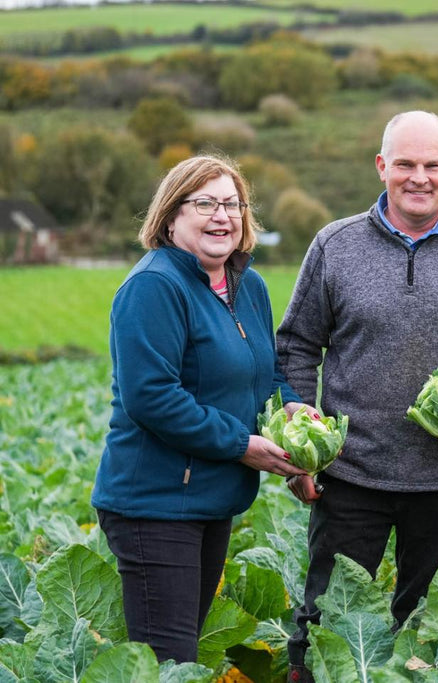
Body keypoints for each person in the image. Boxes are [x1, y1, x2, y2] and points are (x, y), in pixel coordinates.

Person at [278, 110, 438, 681]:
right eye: (404, 164)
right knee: (326, 629)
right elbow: (297, 346)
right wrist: (303, 445)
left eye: (431, 165)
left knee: (430, 635)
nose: (418, 177)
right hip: (350, 476)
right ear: (381, 167)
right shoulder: (334, 245)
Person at [92, 155, 309, 662]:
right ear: (171, 217)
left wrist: (293, 410)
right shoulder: (154, 286)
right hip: (155, 505)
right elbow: (153, 398)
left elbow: (266, 373)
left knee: (183, 653)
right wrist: (241, 445)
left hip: (210, 499)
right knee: (170, 663)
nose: (222, 216)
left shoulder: (247, 287)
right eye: (205, 203)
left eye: (232, 204)